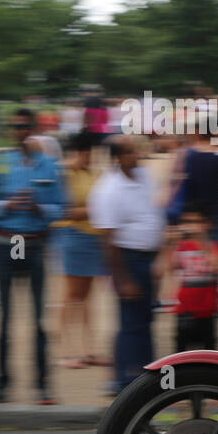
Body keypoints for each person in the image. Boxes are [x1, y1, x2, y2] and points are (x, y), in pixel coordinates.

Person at [0, 108, 66, 404]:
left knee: (38, 318)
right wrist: (8, 204)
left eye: (25, 126)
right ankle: (1, 384)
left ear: (34, 129)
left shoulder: (49, 167)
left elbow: (60, 206)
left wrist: (41, 208)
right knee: (5, 317)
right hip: (6, 242)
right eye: (15, 127)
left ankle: (42, 386)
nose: (20, 131)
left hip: (34, 244)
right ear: (10, 131)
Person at [89, 135, 167, 394]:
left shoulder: (143, 175)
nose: (138, 154)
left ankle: (148, 377)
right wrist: (122, 279)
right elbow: (108, 242)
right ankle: (124, 381)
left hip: (149, 259)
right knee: (130, 323)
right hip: (128, 261)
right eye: (132, 151)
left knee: (145, 320)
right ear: (118, 158)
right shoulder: (108, 190)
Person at [55, 131, 111, 370]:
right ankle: (66, 352)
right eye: (90, 152)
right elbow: (64, 211)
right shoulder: (64, 174)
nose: (93, 156)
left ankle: (88, 351)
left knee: (88, 297)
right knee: (72, 295)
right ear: (80, 151)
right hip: (74, 236)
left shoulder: (96, 173)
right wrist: (95, 210)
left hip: (94, 237)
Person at [159, 202, 218, 351]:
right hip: (184, 309)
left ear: (208, 224)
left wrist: (202, 242)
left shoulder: (214, 246)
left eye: (196, 222)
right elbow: (166, 269)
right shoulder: (179, 247)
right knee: (181, 352)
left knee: (209, 352)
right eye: (186, 222)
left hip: (208, 310)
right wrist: (168, 244)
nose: (191, 226)